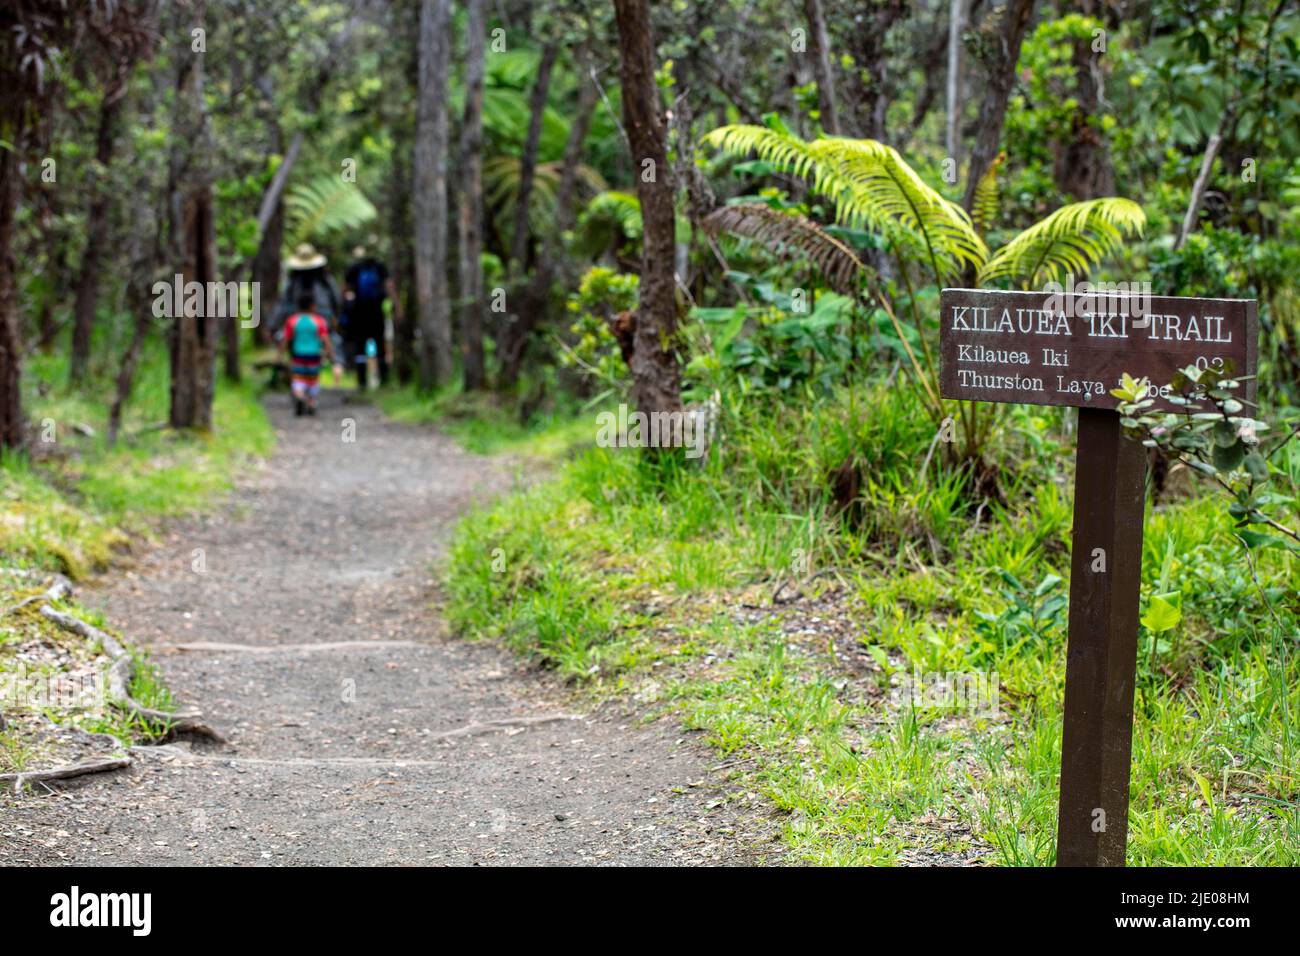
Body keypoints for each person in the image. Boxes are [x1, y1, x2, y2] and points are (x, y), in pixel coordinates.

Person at [274, 243, 344, 382]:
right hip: (321, 320)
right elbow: (336, 300)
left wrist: (274, 324)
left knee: (287, 341)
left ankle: (302, 379)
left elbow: (282, 305)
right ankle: (335, 365)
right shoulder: (323, 279)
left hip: (299, 322)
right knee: (331, 341)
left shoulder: (298, 281)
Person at [341, 245, 399, 390]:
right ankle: (383, 380)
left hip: (358, 314)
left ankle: (362, 382)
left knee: (360, 348)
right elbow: (389, 286)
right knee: (380, 346)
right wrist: (397, 306)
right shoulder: (379, 267)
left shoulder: (354, 268)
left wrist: (343, 308)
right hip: (376, 312)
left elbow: (344, 288)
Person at [279, 291, 335, 417]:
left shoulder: (293, 321)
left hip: (298, 355)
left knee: (298, 379)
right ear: (312, 306)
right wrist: (330, 354)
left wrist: (280, 355)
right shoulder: (318, 321)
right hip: (314, 356)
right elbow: (325, 339)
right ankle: (311, 402)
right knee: (312, 380)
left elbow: (286, 339)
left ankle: (300, 396)